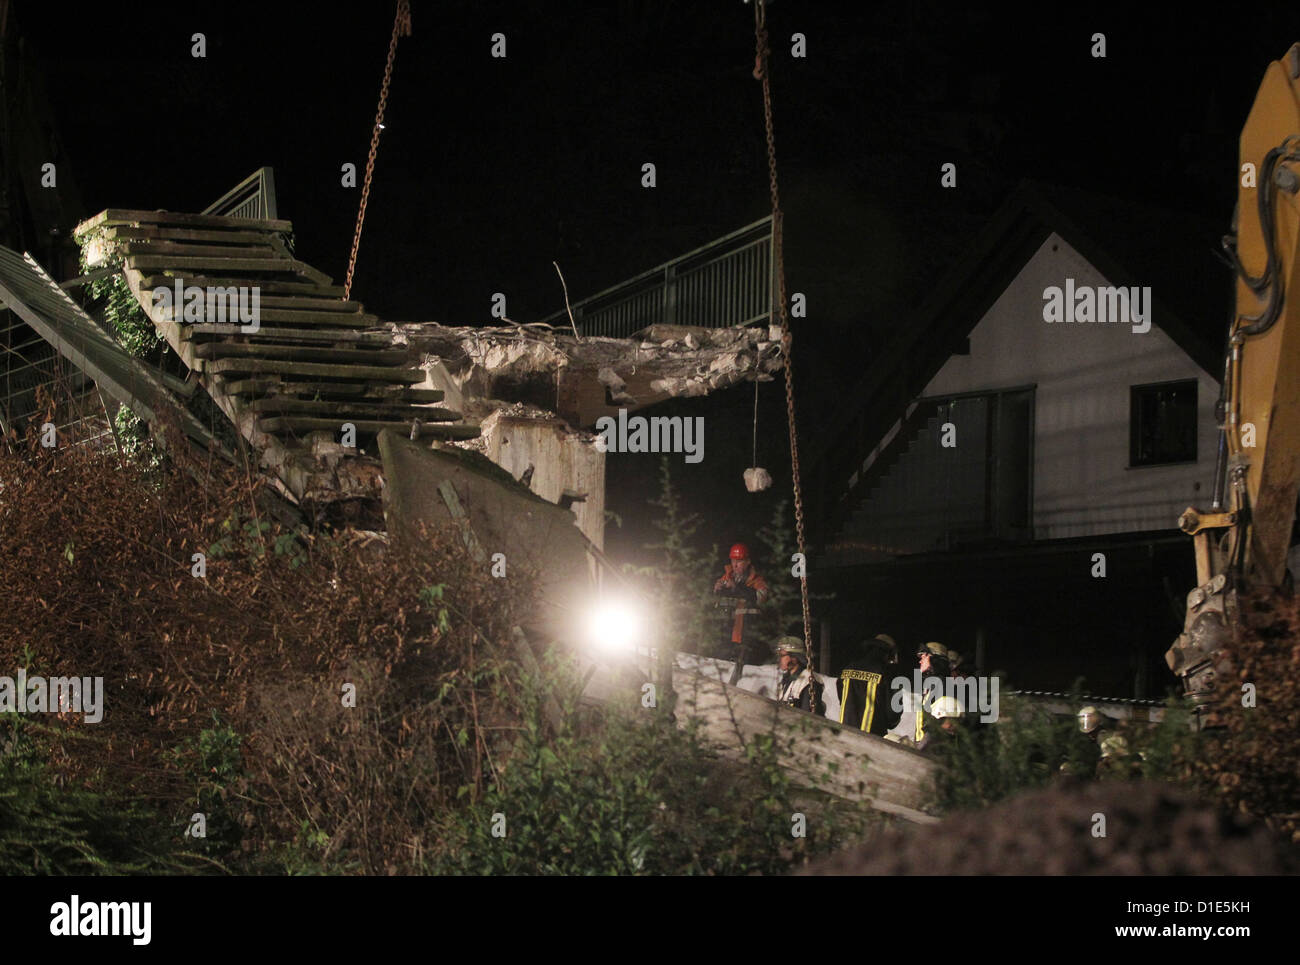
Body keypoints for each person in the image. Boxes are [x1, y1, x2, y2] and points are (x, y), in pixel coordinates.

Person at [713, 543, 769, 679]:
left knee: (743, 671)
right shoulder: (726, 577)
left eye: (739, 561)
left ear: (748, 561)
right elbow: (714, 603)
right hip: (726, 633)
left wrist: (736, 588)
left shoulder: (757, 580)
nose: (735, 565)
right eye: (733, 561)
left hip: (746, 635)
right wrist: (717, 589)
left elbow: (761, 598)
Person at [838, 633, 902, 736]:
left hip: (845, 733)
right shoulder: (886, 674)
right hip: (871, 738)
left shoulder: (848, 669)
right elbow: (892, 715)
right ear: (888, 653)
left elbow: (842, 699)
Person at [775, 636, 825, 714]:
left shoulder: (807, 680)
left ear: (794, 657)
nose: (779, 659)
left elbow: (807, 714)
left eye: (782, 655)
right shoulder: (786, 678)